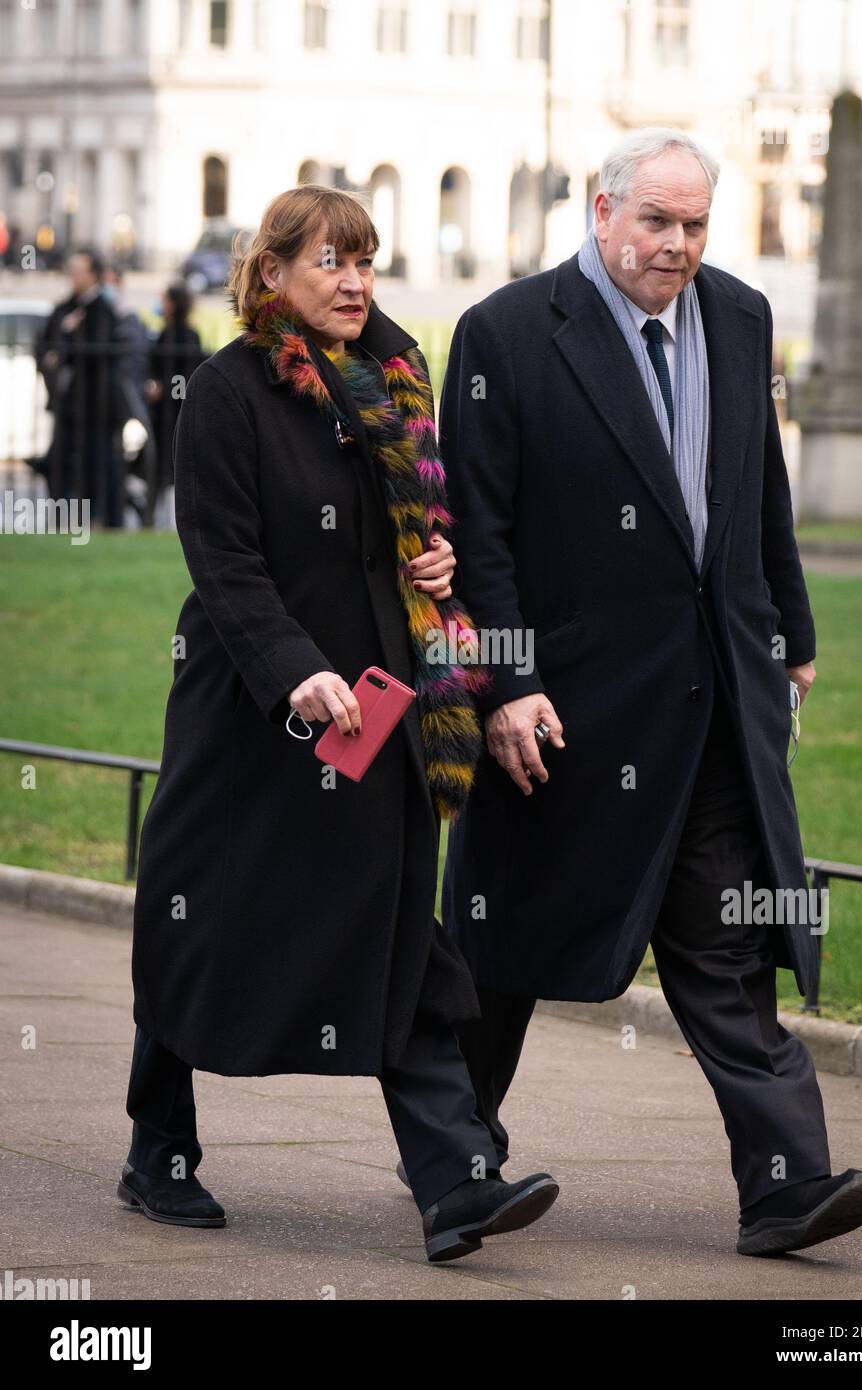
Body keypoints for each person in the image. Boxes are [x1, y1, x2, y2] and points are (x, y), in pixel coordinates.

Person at [435, 129, 862, 1257]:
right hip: (564, 713)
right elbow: (477, 536)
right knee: (505, 950)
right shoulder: (505, 334)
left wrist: (790, 626)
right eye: (656, 223)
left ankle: (785, 1184)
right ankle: (451, 1151)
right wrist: (504, 684)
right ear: (601, 212)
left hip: (715, 699)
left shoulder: (738, 315)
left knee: (725, 944)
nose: (676, 247)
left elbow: (756, 484)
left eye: (694, 226)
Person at [119, 185, 558, 1263]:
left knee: (396, 920)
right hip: (254, 716)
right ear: (271, 273)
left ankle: (455, 1178)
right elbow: (223, 562)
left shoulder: (393, 381)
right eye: (330, 260)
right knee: (201, 922)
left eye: (365, 259)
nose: (356, 280)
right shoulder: (224, 392)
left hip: (377, 709)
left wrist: (432, 561)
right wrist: (296, 675)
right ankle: (156, 1149)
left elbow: (408, 532)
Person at [35, 247, 125, 524]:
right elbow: (45, 348)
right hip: (68, 404)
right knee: (58, 461)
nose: (73, 276)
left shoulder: (103, 310)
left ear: (94, 275)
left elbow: (96, 353)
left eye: (79, 271)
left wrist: (66, 346)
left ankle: (99, 519)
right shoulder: (64, 308)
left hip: (96, 405)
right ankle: (62, 519)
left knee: (96, 464)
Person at [140, 283, 206, 526]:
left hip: (175, 412)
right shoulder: (164, 332)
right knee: (158, 467)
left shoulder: (186, 335)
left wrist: (164, 390)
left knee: (175, 468)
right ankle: (150, 517)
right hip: (162, 414)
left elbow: (188, 374)